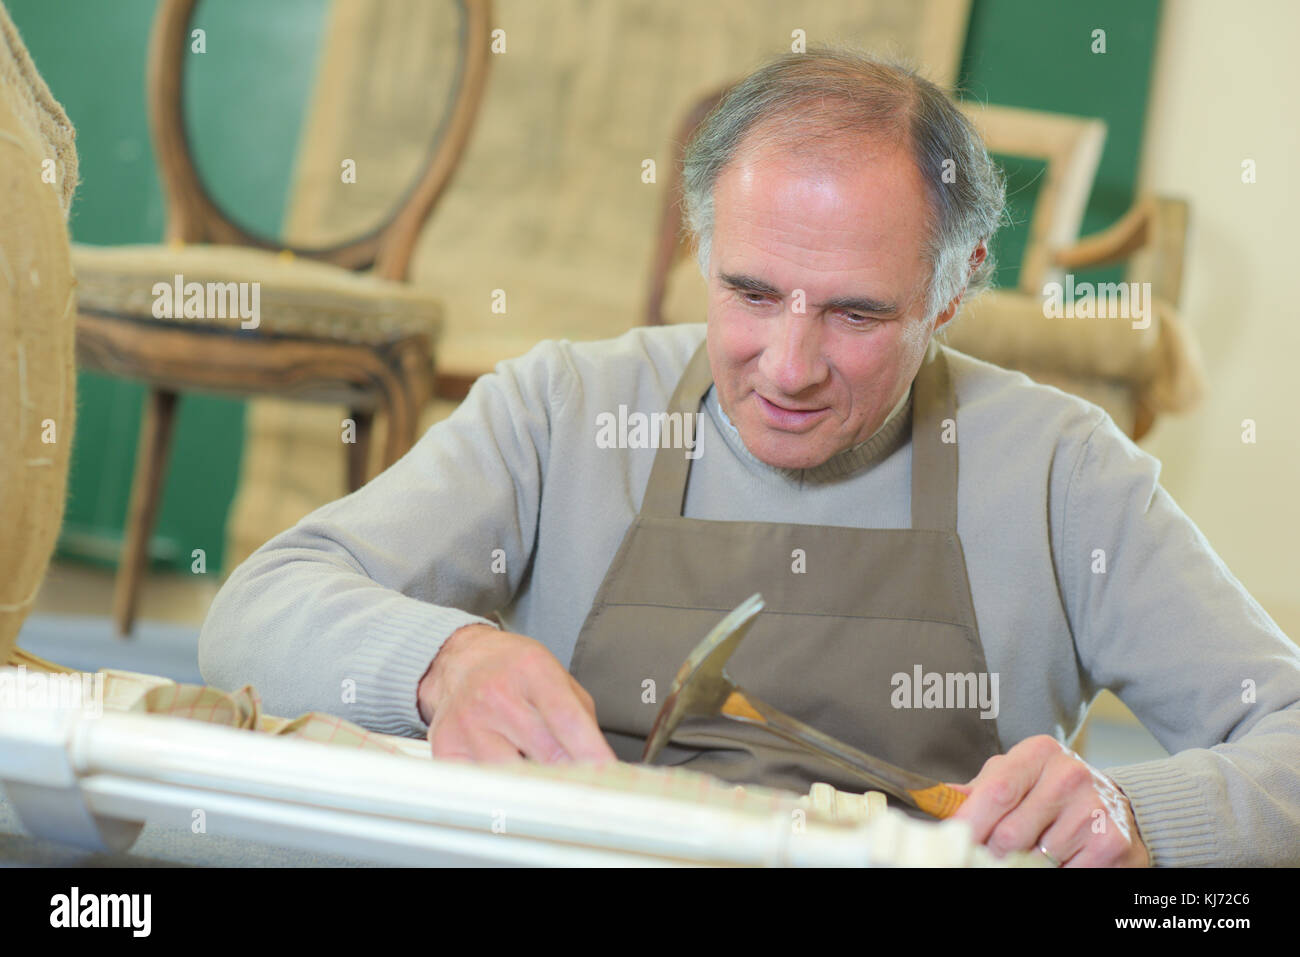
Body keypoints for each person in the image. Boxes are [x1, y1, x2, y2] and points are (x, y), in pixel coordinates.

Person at [199, 47, 1300, 867]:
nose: (788, 366)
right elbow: (258, 608)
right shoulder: (568, 406)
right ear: (702, 249)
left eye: (859, 315)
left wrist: (1134, 814)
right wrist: (446, 665)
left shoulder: (1064, 474)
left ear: (953, 295)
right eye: (751, 293)